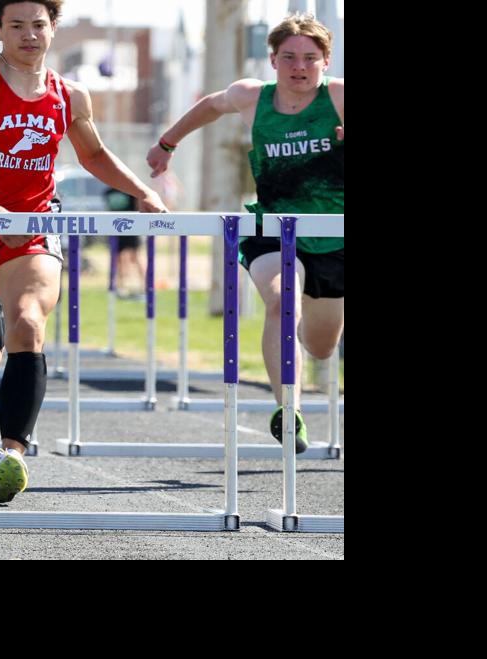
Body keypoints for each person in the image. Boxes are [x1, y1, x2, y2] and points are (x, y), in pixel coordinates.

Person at [0, 0, 166, 504]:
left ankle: (11, 454)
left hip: (34, 226)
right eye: (16, 26)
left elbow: (94, 155)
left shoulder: (70, 95)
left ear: (54, 28)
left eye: (38, 25)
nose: (29, 35)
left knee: (29, 323)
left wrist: (142, 192)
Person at [148, 11, 343, 453]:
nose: (299, 67)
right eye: (289, 57)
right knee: (281, 301)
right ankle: (288, 410)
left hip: (335, 237)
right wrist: (166, 144)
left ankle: (304, 347)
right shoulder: (252, 96)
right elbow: (210, 106)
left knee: (321, 345)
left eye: (310, 58)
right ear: (272, 60)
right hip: (273, 227)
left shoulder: (338, 96)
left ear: (326, 61)